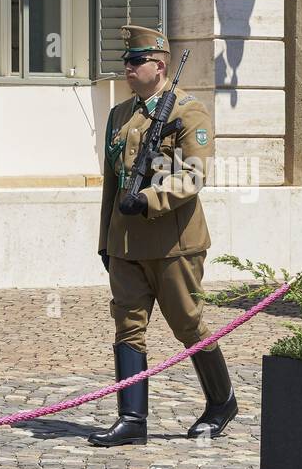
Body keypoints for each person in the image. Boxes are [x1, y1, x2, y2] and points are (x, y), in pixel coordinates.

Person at [89, 25, 236, 447]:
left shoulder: (188, 112)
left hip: (174, 243)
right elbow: (111, 184)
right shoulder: (120, 114)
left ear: (161, 64)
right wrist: (106, 239)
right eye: (126, 62)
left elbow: (194, 174)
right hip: (127, 244)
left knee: (188, 325)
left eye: (136, 61)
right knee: (128, 327)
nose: (128, 68)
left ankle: (221, 402)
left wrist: (152, 200)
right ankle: (132, 418)